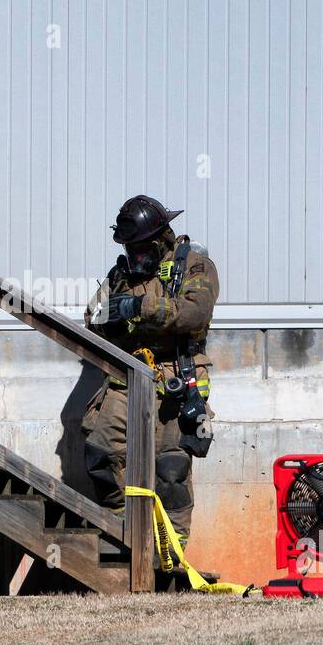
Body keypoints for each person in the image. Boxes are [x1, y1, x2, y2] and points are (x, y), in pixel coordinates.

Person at [82, 195, 219, 548]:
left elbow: (194, 314)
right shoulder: (121, 273)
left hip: (178, 377)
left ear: (161, 239)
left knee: (171, 470)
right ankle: (121, 533)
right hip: (128, 376)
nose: (134, 254)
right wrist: (111, 319)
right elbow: (93, 317)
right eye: (129, 247)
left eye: (140, 247)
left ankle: (169, 554)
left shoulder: (195, 266)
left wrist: (140, 306)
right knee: (101, 450)